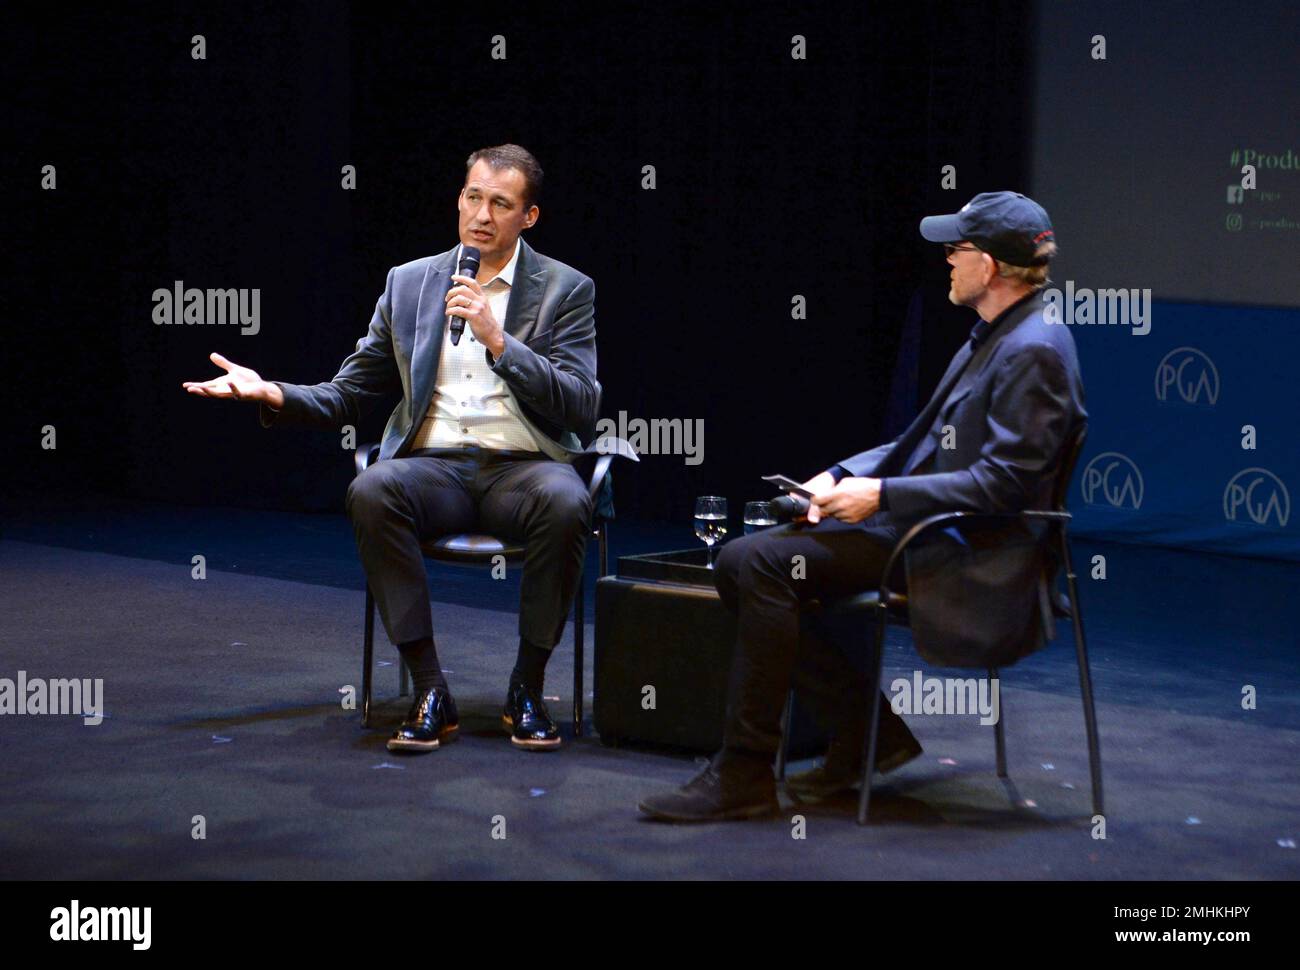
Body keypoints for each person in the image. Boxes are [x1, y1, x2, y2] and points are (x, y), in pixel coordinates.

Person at [639, 191, 1087, 821]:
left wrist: (879, 496)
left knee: (758, 564)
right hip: (933, 531)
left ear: (988, 266)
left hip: (975, 556)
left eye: (956, 249)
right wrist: (838, 477)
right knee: (744, 560)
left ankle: (748, 771)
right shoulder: (996, 336)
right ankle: (866, 738)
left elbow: (1006, 487)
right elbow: (923, 441)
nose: (947, 261)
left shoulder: (1033, 349)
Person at [183, 144, 600, 754]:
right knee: (372, 489)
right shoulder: (409, 284)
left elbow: (580, 403)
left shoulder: (567, 289)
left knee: (568, 502)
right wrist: (269, 392)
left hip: (524, 470)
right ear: (460, 200)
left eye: (501, 204)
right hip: (435, 469)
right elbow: (350, 393)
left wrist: (498, 340)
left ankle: (527, 688)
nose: (482, 215)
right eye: (473, 198)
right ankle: (430, 689)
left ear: (528, 217)